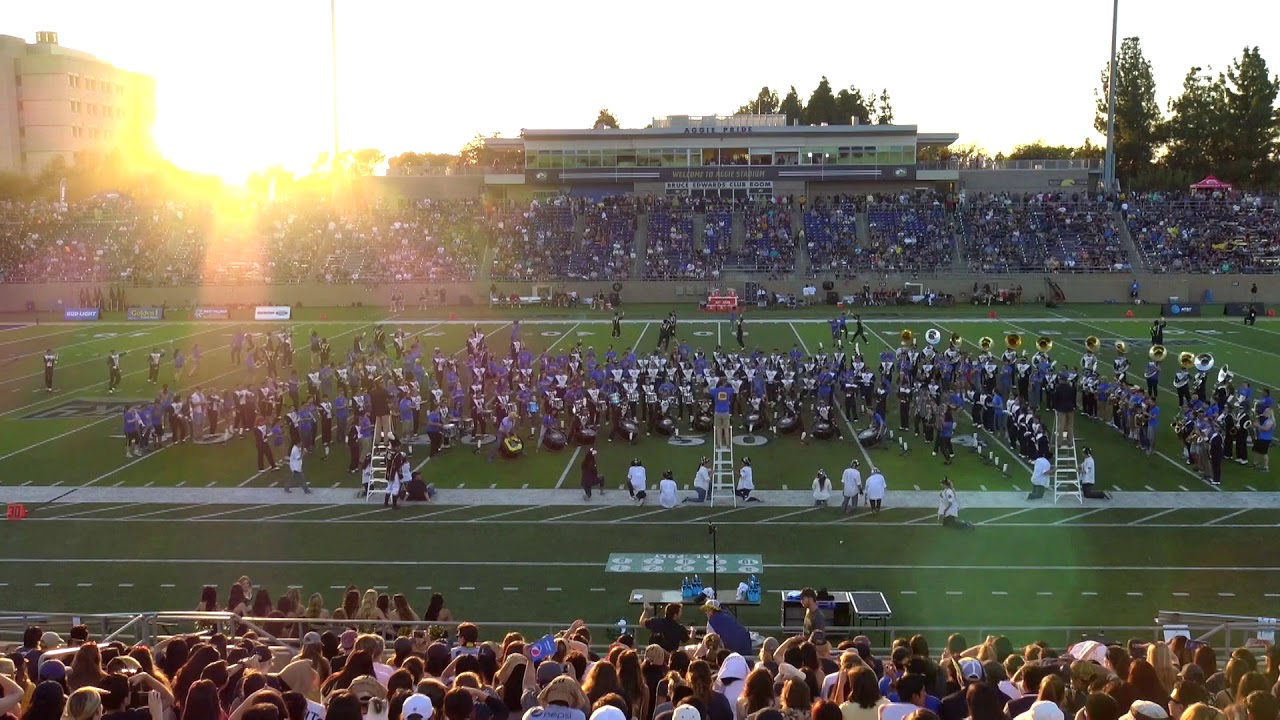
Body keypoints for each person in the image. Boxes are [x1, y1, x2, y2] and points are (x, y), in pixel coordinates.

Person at [712, 379, 735, 449]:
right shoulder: (728, 390)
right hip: (725, 412)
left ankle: (718, 444)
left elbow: (706, 391)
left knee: (718, 429)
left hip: (718, 411)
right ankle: (728, 444)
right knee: (726, 429)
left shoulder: (715, 390)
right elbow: (733, 390)